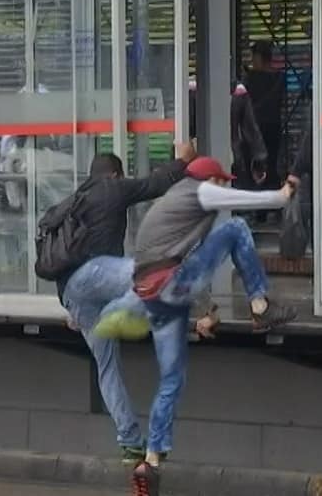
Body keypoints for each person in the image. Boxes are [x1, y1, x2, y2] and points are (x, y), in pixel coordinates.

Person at [95, 156, 298, 488]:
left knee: (171, 379)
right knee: (236, 228)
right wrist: (282, 194)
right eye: (223, 181)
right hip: (170, 284)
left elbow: (181, 259)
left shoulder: (168, 206)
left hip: (155, 295)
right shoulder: (199, 191)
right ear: (213, 180)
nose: (225, 187)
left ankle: (151, 461)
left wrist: (205, 311)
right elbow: (256, 201)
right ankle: (260, 306)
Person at [54, 143, 200, 463]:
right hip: (92, 275)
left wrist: (73, 308)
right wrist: (184, 160)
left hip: (71, 292)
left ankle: (130, 440)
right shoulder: (111, 189)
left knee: (107, 367)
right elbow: (155, 184)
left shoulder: (73, 201)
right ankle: (112, 313)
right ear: (116, 174)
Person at [244, 40, 285, 222]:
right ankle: (273, 205)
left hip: (258, 128)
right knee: (270, 166)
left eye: (254, 57)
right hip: (271, 127)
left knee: (258, 168)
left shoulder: (253, 79)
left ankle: (261, 207)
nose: (252, 60)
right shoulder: (277, 78)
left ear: (260, 57)